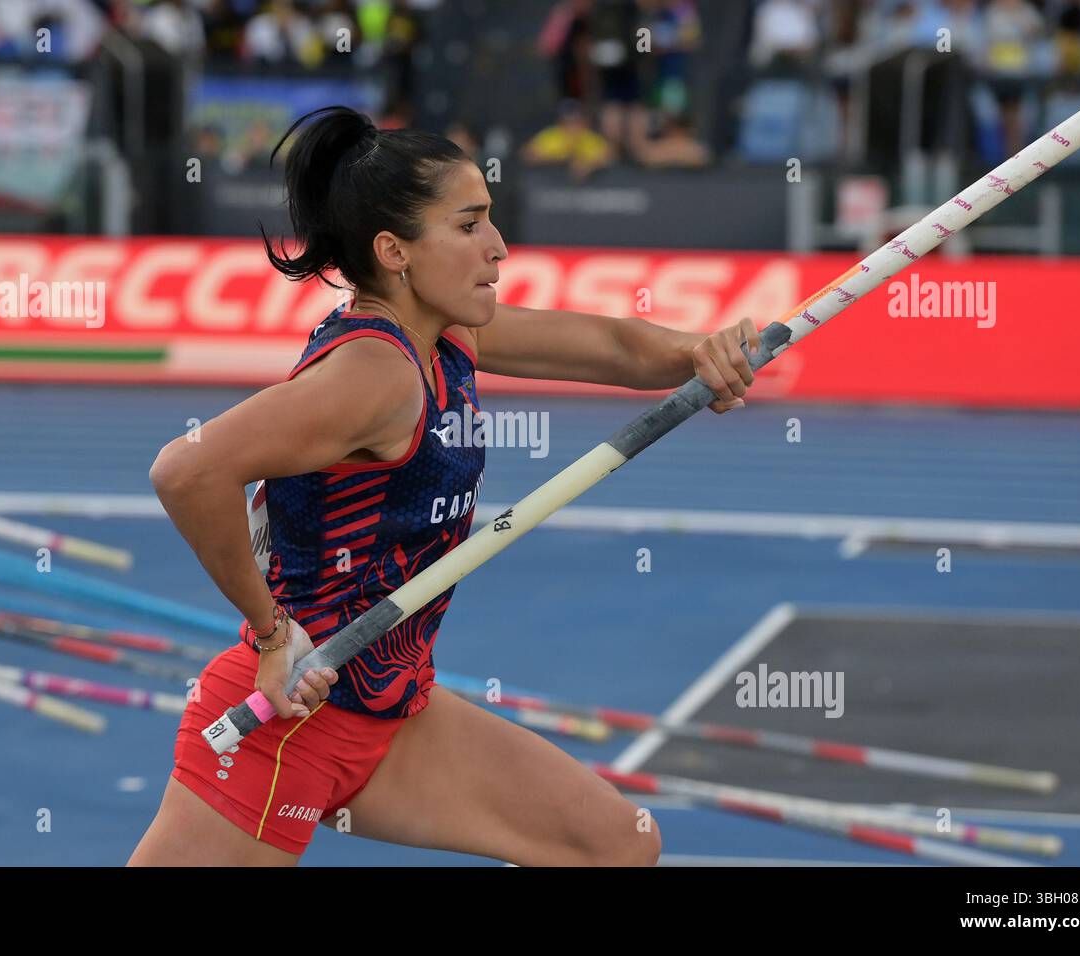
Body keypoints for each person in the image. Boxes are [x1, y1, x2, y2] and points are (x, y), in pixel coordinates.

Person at [129, 105, 759, 867]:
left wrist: (699, 351)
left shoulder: (448, 334)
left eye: (489, 220)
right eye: (469, 226)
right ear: (394, 251)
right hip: (288, 723)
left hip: (390, 712)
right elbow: (186, 469)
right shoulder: (376, 375)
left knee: (614, 848)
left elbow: (613, 346)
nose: (497, 247)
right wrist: (269, 633)